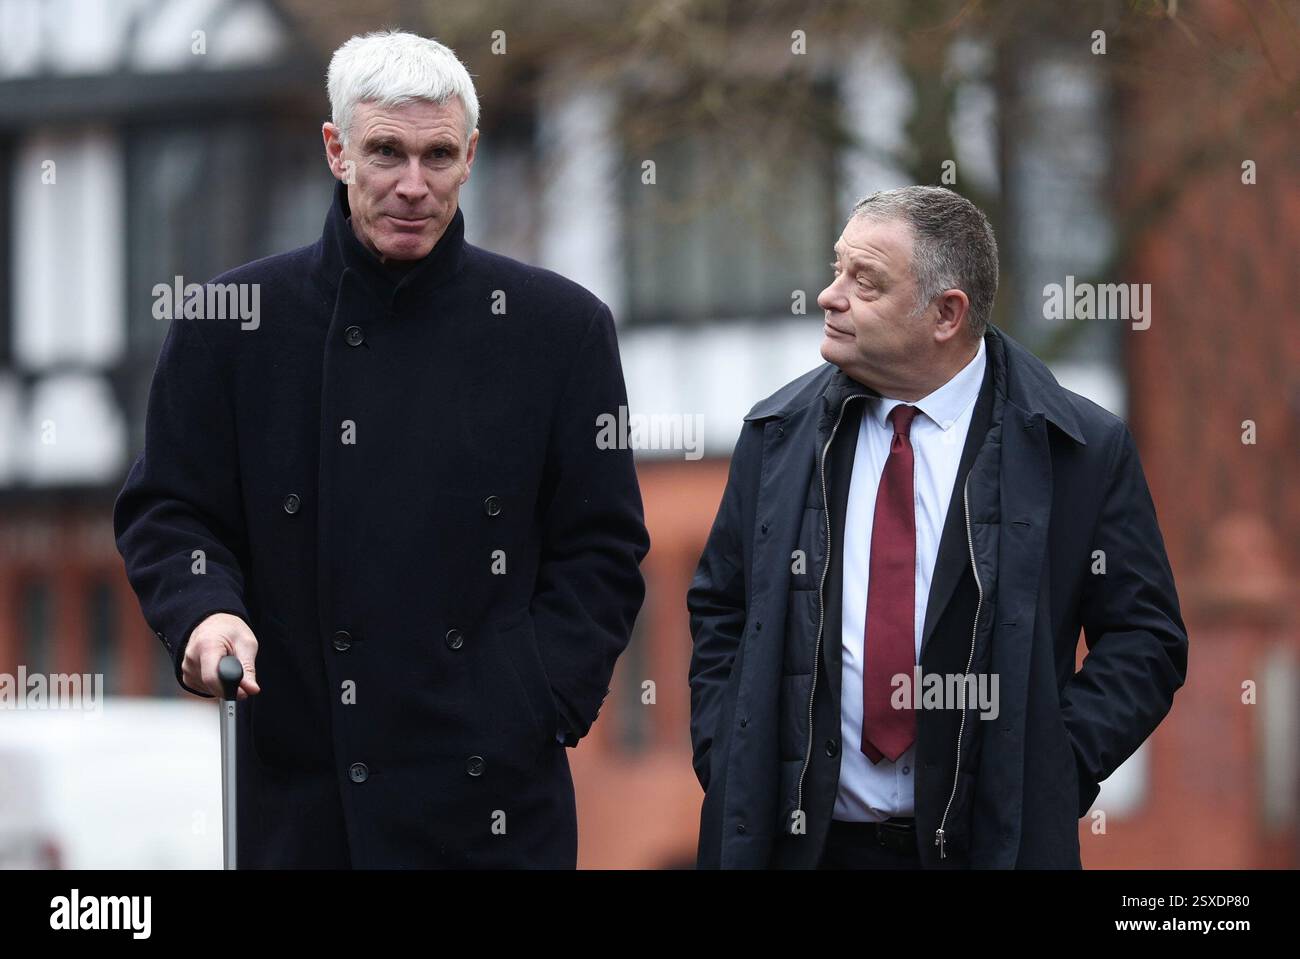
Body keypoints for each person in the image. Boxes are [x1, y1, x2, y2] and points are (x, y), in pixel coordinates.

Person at [114, 29, 649, 868]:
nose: (413, 185)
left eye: (438, 155)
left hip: (492, 802)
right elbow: (171, 509)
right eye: (386, 152)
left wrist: (536, 697)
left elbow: (604, 547)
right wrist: (206, 609)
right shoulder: (232, 321)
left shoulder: (561, 329)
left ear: (470, 155)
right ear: (337, 150)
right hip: (302, 796)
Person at [687, 185, 1187, 868]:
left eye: (866, 281)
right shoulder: (776, 435)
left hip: (989, 850)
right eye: (837, 269)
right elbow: (720, 607)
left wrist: (1047, 767)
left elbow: (1146, 638)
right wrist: (729, 757)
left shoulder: (1079, 450)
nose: (830, 296)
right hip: (803, 850)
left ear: (946, 314)